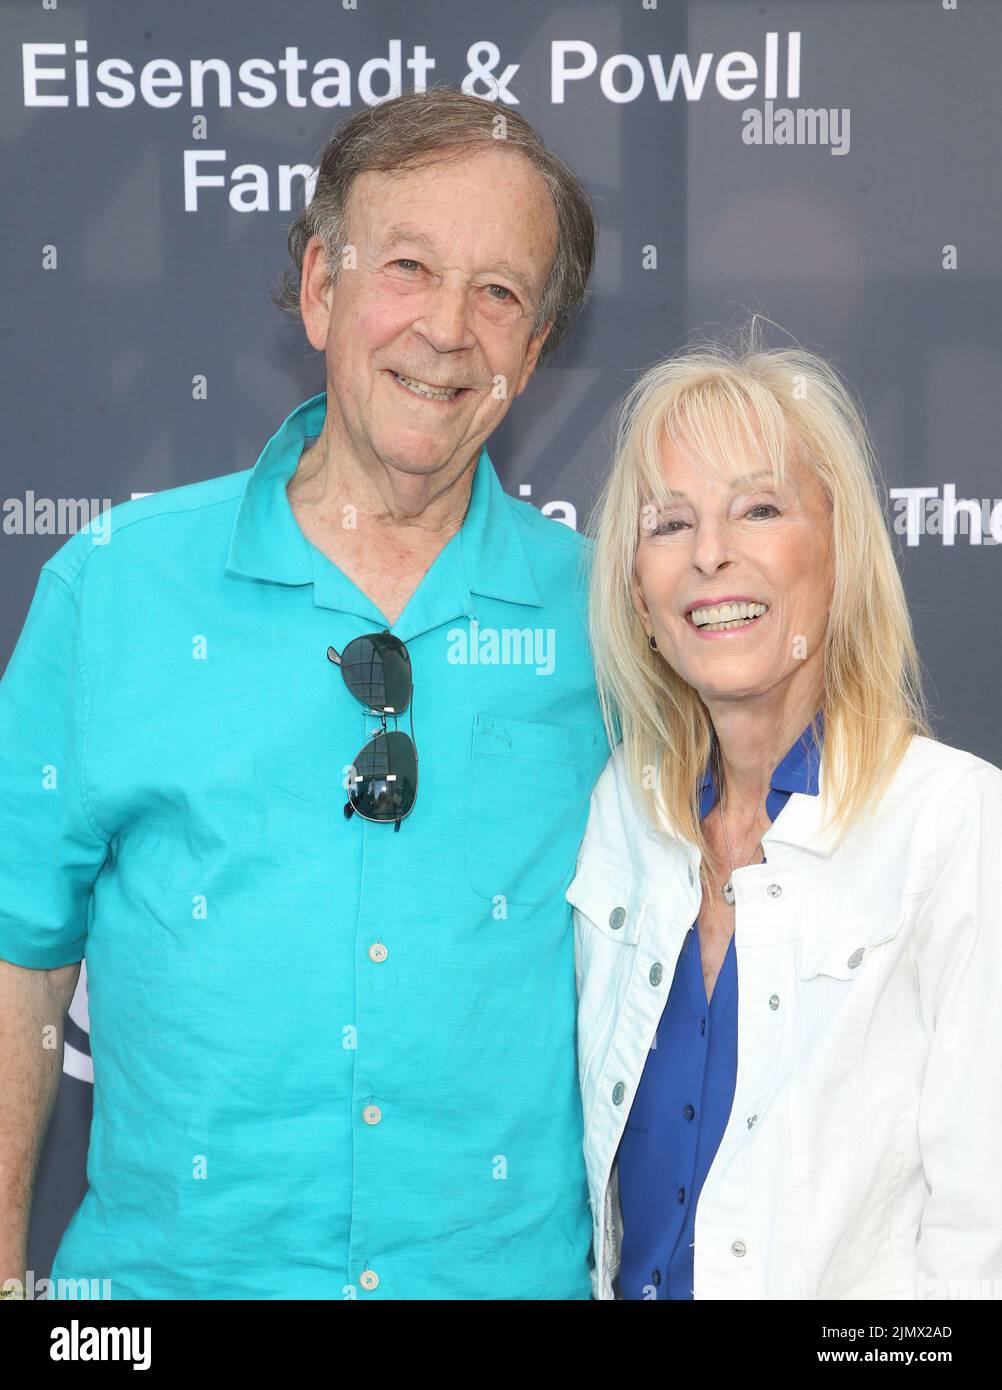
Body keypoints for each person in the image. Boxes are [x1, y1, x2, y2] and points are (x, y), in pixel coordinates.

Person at [0, 87, 609, 1300]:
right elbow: (16, 953)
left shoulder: (611, 623)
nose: (447, 329)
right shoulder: (112, 591)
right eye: (409, 267)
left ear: (534, 349)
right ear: (323, 288)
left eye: (499, 292)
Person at [571, 329, 1002, 1300]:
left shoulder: (953, 822)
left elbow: (983, 1240)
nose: (710, 554)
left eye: (758, 508)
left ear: (839, 550)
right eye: (669, 523)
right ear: (639, 594)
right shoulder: (624, 818)